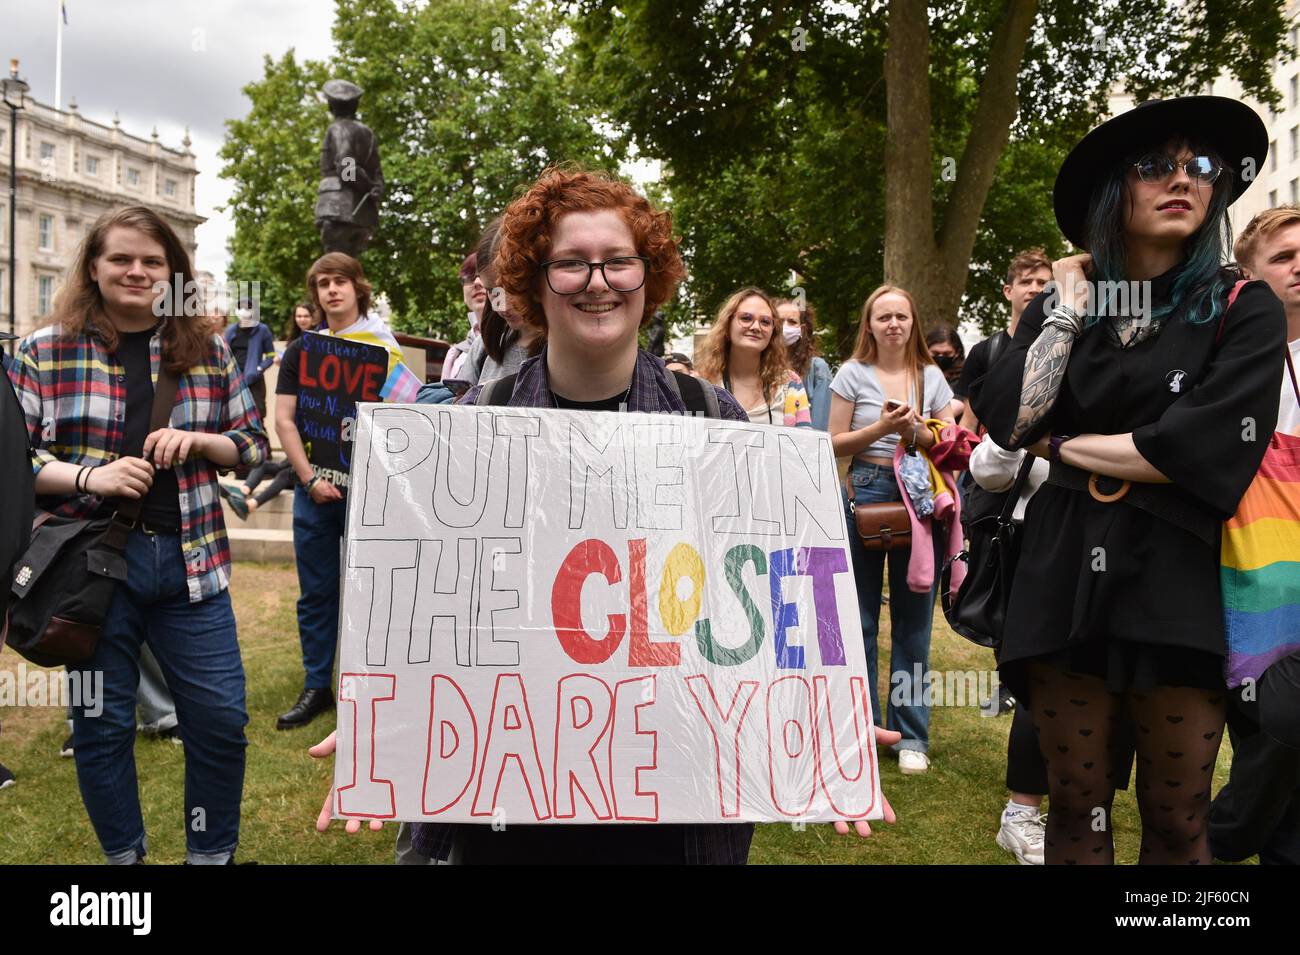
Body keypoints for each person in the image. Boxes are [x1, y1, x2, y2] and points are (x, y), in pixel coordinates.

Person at [310, 166, 899, 862]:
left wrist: (825, 709)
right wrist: (392, 709)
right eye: (571, 263)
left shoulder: (710, 416)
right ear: (533, 283)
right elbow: (431, 594)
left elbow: (772, 575)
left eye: (619, 261)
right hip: (513, 794)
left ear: (649, 278)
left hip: (673, 782)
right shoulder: (477, 421)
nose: (598, 280)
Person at [969, 97, 1283, 864]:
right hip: (1062, 563)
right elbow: (1012, 421)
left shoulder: (1243, 306)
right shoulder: (1060, 304)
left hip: (1180, 573)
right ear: (1116, 190)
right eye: (1156, 165)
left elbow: (1202, 451)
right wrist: (1067, 317)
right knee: (1078, 805)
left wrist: (1065, 442)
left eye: (1200, 166)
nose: (1184, 179)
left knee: (1177, 816)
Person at [7, 205, 268, 864]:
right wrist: (89, 477)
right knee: (100, 727)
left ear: (173, 273)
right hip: (90, 573)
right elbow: (18, 461)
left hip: (192, 567)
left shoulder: (206, 351)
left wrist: (204, 439)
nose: (137, 270)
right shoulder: (43, 349)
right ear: (93, 267)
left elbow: (254, 445)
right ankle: (126, 860)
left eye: (153, 261)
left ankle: (211, 854)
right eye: (121, 257)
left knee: (219, 721)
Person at [274, 252, 416, 729]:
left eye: (340, 281)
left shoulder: (382, 349)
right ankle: (317, 686)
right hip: (312, 489)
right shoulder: (302, 350)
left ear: (359, 287)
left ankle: (372, 686)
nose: (331, 290)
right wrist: (310, 479)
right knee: (316, 592)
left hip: (369, 494)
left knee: (373, 592)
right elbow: (284, 420)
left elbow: (405, 418)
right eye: (322, 283)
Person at [827, 285, 958, 775]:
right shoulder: (851, 374)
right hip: (862, 491)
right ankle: (861, 727)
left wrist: (911, 431)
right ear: (870, 324)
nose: (893, 324)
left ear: (912, 323)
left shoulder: (930, 376)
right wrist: (881, 431)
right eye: (883, 316)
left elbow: (950, 445)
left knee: (913, 621)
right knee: (857, 619)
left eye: (901, 315)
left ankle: (910, 737)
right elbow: (833, 443)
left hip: (917, 497)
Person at [1207, 205, 1300, 863]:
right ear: (1248, 275)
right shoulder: (1226, 358)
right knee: (1276, 733)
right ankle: (1216, 836)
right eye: (1285, 257)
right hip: (1248, 585)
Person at [968, 434, 1050, 863]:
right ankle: (1022, 810)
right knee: (1037, 678)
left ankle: (1084, 804)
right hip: (1032, 544)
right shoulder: (1043, 376)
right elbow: (986, 469)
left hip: (1120, 542)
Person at [957, 250, 1052, 433]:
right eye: (1025, 282)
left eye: (1042, 283)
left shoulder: (1069, 348)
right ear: (1008, 292)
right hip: (994, 457)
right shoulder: (983, 352)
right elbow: (969, 424)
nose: (1034, 289)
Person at [696, 287, 811, 427]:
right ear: (727, 325)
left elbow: (804, 445)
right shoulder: (701, 383)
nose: (756, 327)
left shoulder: (790, 384)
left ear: (773, 333)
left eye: (765, 322)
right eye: (746, 318)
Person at [776, 298, 833, 431]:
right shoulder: (757, 366)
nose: (784, 326)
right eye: (779, 321)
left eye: (792, 322)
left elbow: (819, 429)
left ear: (801, 330)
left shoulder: (818, 369)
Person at [223, 296, 276, 420]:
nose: (243, 310)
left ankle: (261, 439)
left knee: (257, 416)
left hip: (254, 381)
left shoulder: (262, 330)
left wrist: (259, 368)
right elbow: (225, 353)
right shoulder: (230, 331)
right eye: (240, 307)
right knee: (235, 417)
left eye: (247, 307)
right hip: (234, 380)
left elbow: (271, 355)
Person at [441, 252, 487, 384]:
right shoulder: (455, 355)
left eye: (484, 275)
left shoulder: (517, 342)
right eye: (469, 278)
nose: (477, 283)